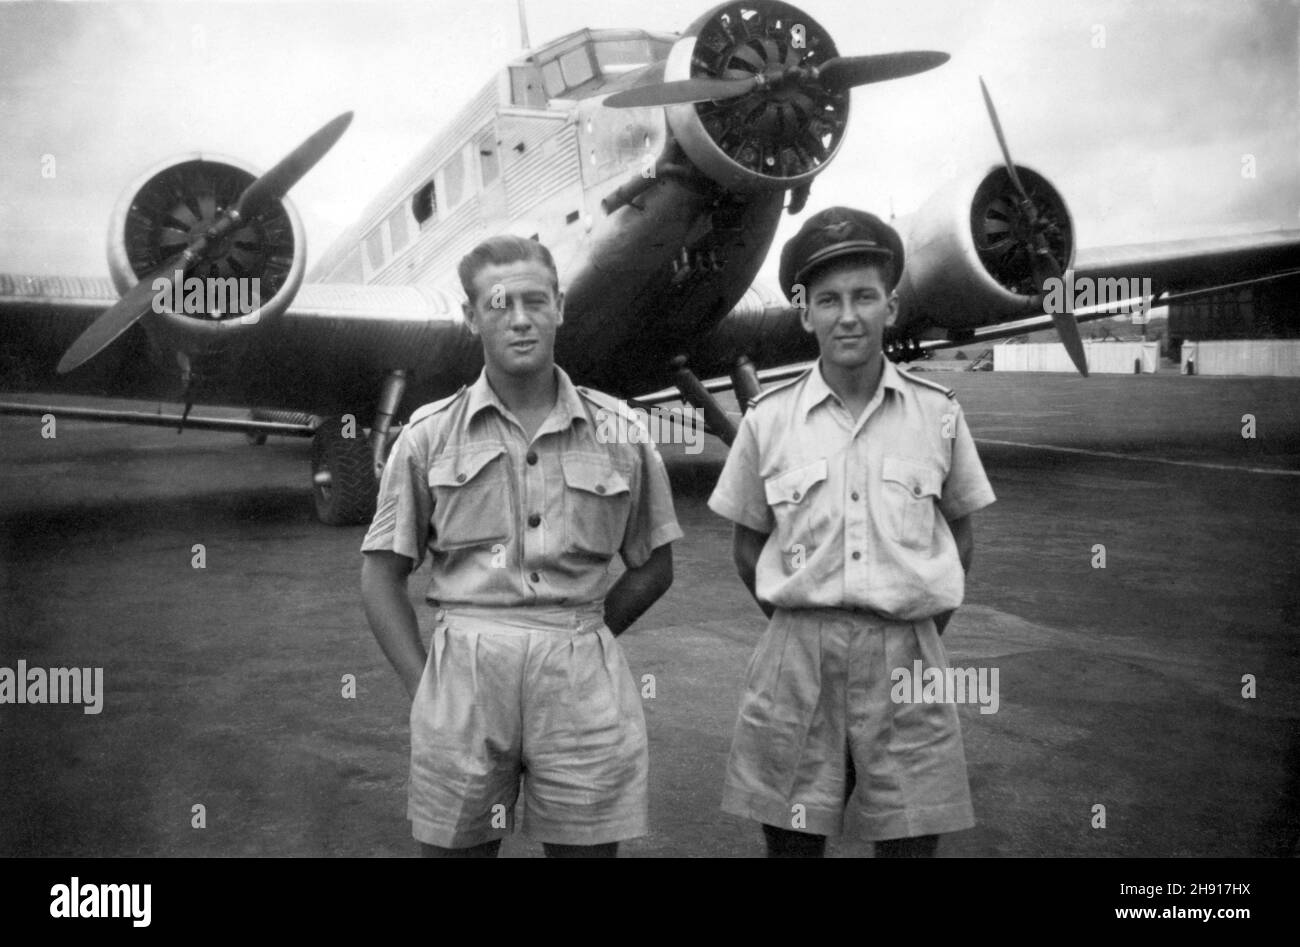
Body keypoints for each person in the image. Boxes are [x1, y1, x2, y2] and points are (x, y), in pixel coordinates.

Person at [360, 234, 680, 858]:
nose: (521, 319)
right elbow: (380, 576)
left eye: (536, 300)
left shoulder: (619, 429)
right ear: (471, 316)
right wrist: (425, 687)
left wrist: (585, 635)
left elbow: (655, 564)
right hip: (464, 679)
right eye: (499, 303)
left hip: (582, 677)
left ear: (561, 305)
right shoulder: (427, 435)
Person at [707, 207, 996, 858]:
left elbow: (960, 536)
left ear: (891, 307)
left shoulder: (939, 414)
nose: (848, 315)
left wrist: (908, 623)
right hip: (797, 662)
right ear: (804, 312)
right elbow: (748, 546)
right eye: (830, 300)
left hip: (909, 660)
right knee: (792, 843)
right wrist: (806, 621)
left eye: (865, 296)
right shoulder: (767, 421)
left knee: (912, 841)